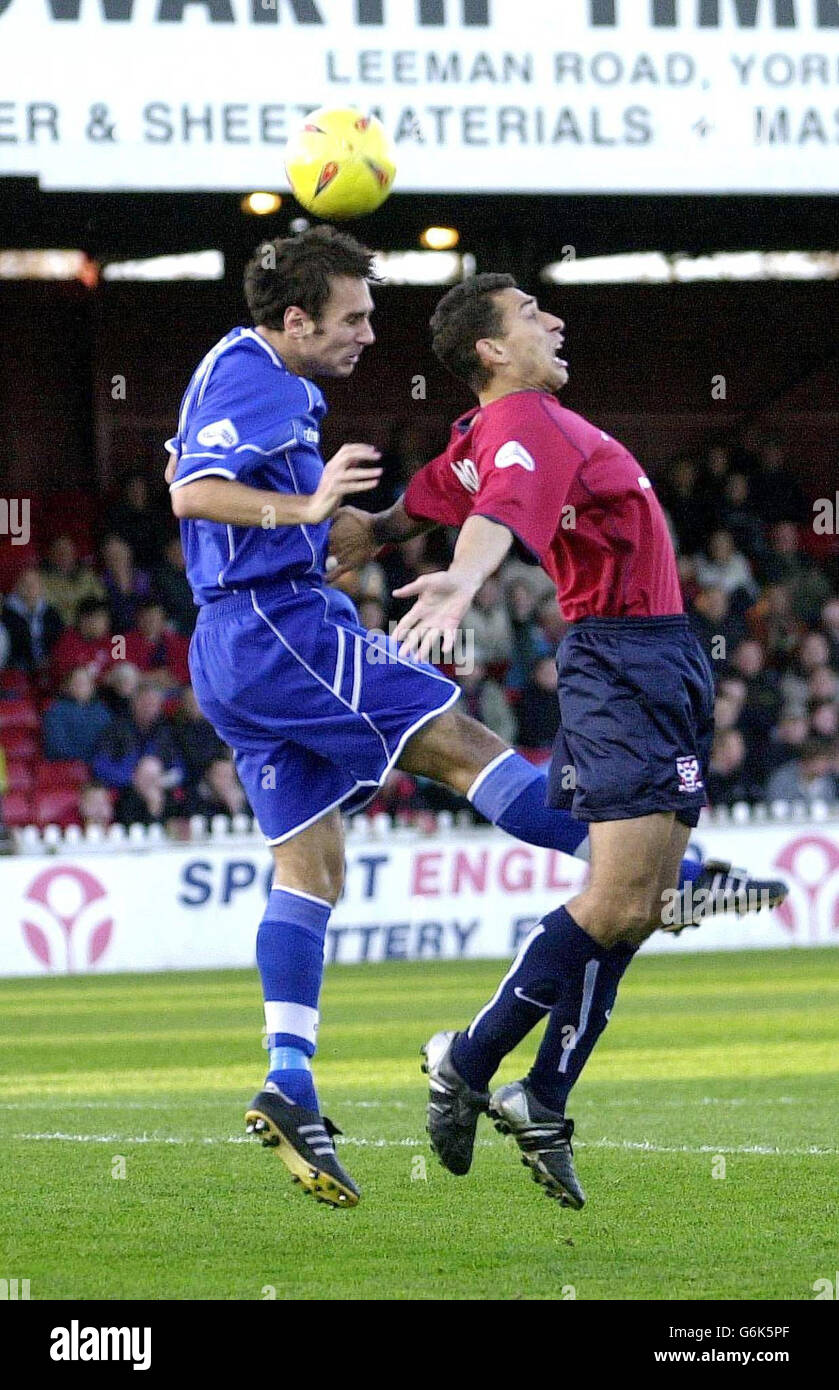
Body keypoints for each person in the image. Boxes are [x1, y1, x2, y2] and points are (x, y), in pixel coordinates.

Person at [166, 230, 784, 1212]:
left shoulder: (230, 365)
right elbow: (192, 491)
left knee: (310, 867)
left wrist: (360, 529)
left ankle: (289, 1077)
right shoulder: (279, 387)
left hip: (234, 647)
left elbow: (436, 493)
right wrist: (334, 520)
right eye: (353, 317)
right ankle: (678, 881)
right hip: (285, 631)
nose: (371, 334)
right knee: (469, 752)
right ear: (292, 320)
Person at [330, 272, 788, 1208]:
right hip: (622, 662)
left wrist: (362, 533)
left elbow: (431, 502)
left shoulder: (490, 438)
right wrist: (458, 583)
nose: (556, 320)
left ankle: (538, 1093)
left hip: (655, 660)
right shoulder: (524, 425)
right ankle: (471, 1060)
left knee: (641, 902)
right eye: (534, 315)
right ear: (491, 351)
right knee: (621, 901)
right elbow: (494, 519)